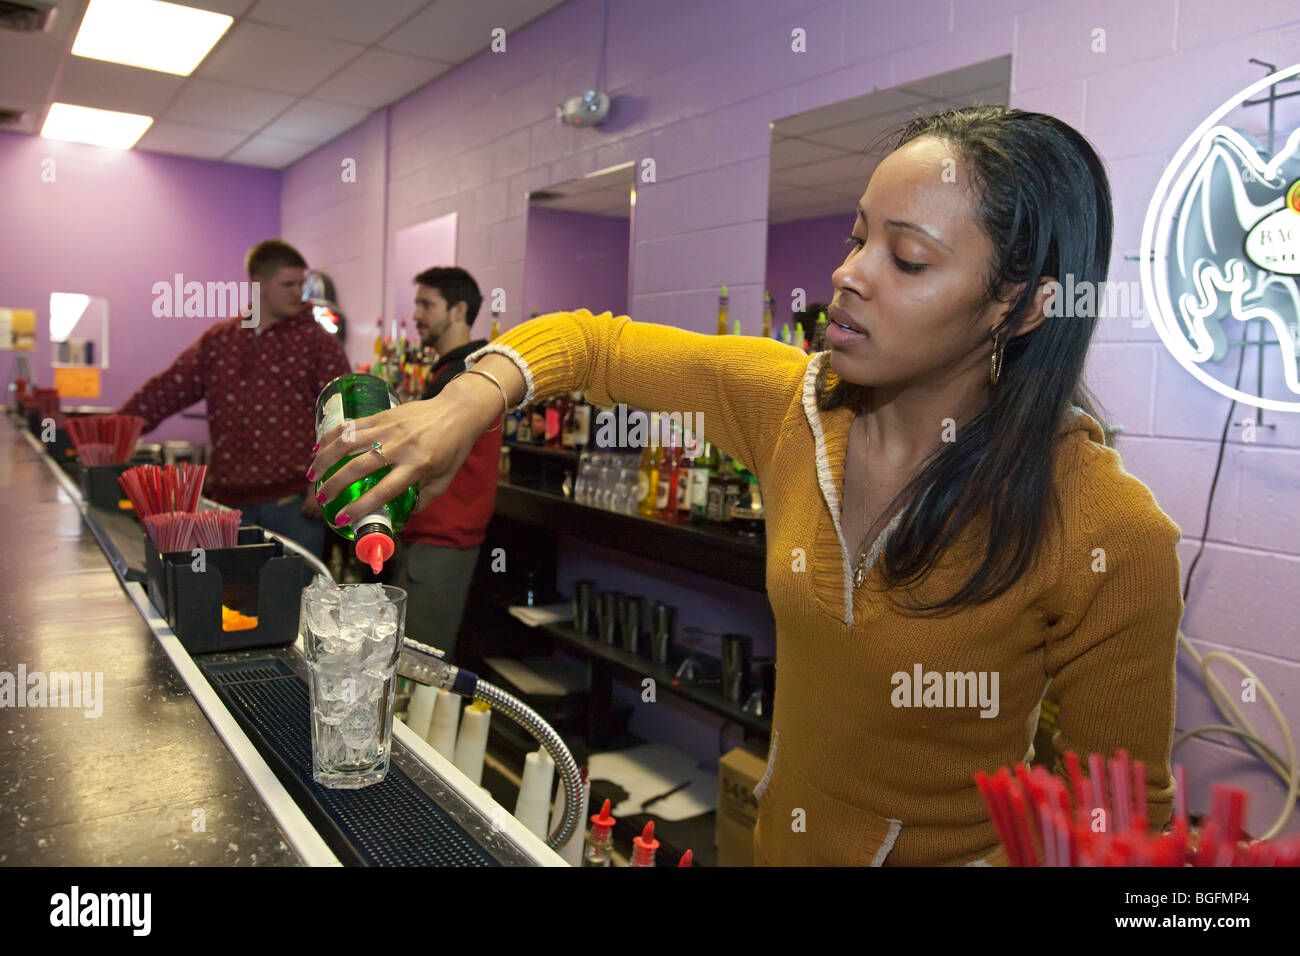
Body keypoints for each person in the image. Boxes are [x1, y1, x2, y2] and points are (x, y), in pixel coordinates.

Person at [309, 107, 1184, 866]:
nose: (849, 274)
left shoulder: (1107, 528)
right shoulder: (795, 407)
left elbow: (1113, 821)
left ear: (1023, 307)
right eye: (857, 237)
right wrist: (460, 403)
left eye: (907, 259)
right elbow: (591, 344)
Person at [120, 239, 350, 556]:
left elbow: (343, 417)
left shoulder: (318, 344)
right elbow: (167, 390)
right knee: (230, 602)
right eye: (288, 284)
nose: (299, 292)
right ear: (258, 284)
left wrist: (325, 484)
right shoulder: (221, 340)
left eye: (301, 283)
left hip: (294, 505)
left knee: (292, 602)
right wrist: (114, 433)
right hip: (228, 506)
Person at [386, 267, 502, 656]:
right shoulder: (460, 369)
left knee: (420, 671)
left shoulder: (468, 374)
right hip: (432, 539)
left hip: (441, 542)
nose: (417, 315)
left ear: (458, 311)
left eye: (427, 304)